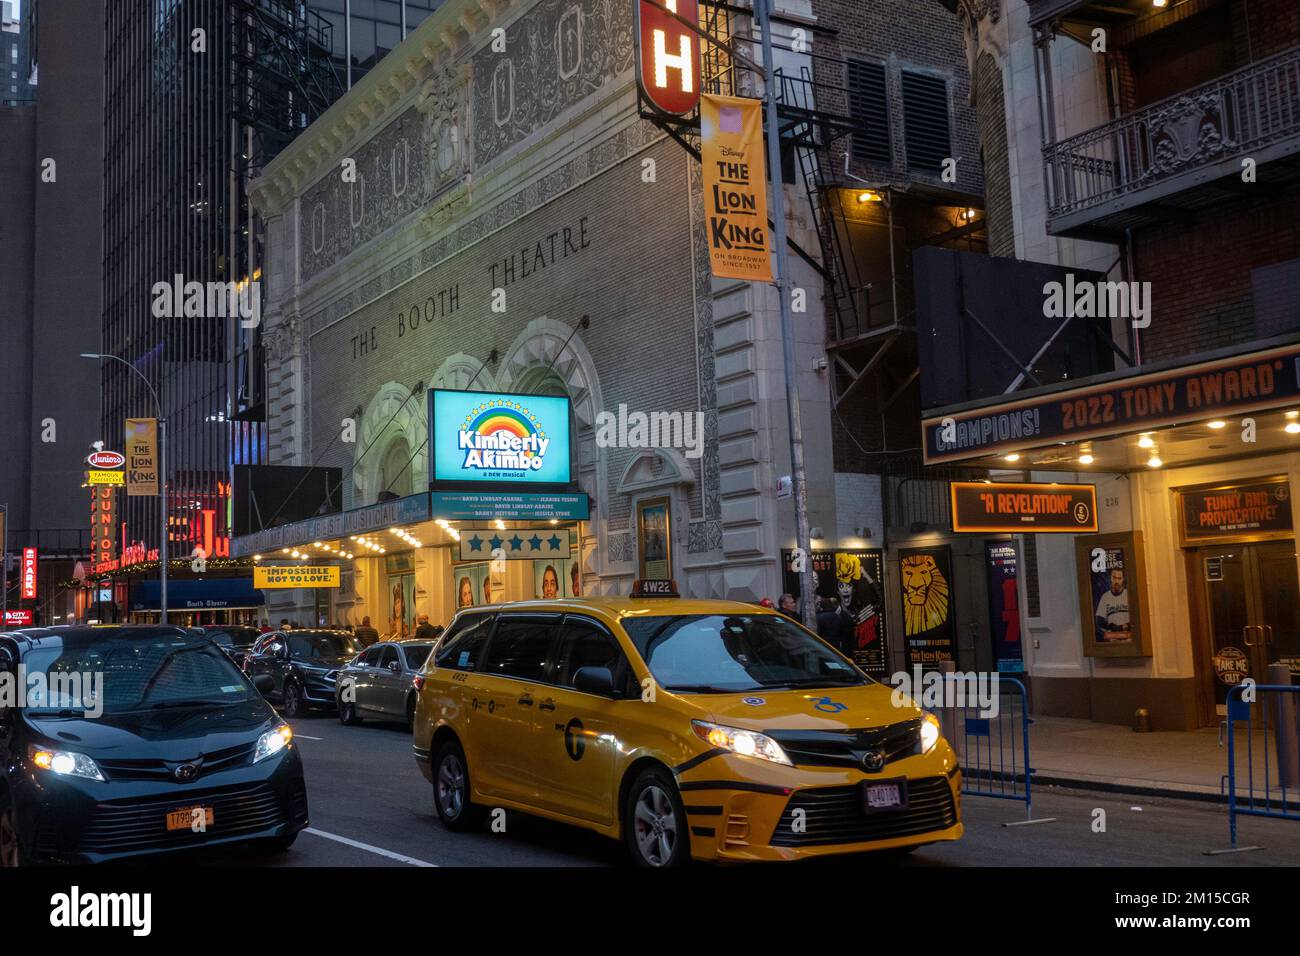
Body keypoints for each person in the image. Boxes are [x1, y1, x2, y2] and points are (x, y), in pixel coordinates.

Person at [1095, 567, 1131, 643]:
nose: (1116, 581)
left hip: (1128, 637)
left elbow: (1138, 618)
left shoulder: (1129, 594)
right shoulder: (1105, 597)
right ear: (1110, 578)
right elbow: (1099, 620)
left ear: (1123, 579)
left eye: (1119, 578)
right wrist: (1110, 626)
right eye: (1114, 578)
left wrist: (1125, 626)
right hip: (1113, 638)